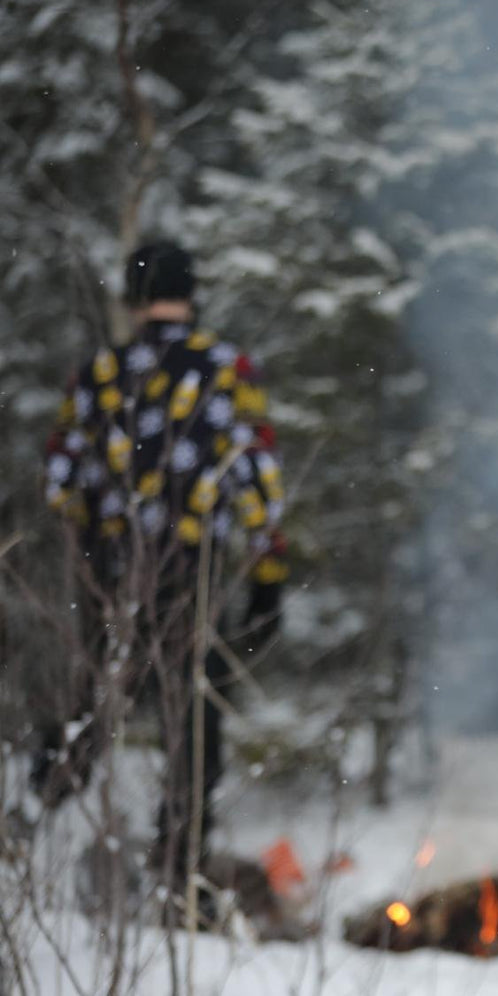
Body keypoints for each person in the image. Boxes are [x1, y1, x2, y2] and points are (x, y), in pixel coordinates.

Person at [34, 240, 288, 893]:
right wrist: (268, 581)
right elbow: (257, 479)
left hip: (106, 575)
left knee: (86, 708)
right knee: (192, 728)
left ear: (130, 299)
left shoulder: (98, 372)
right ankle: (178, 874)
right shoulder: (225, 370)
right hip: (190, 573)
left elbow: (59, 479)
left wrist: (98, 539)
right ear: (192, 293)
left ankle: (26, 833)